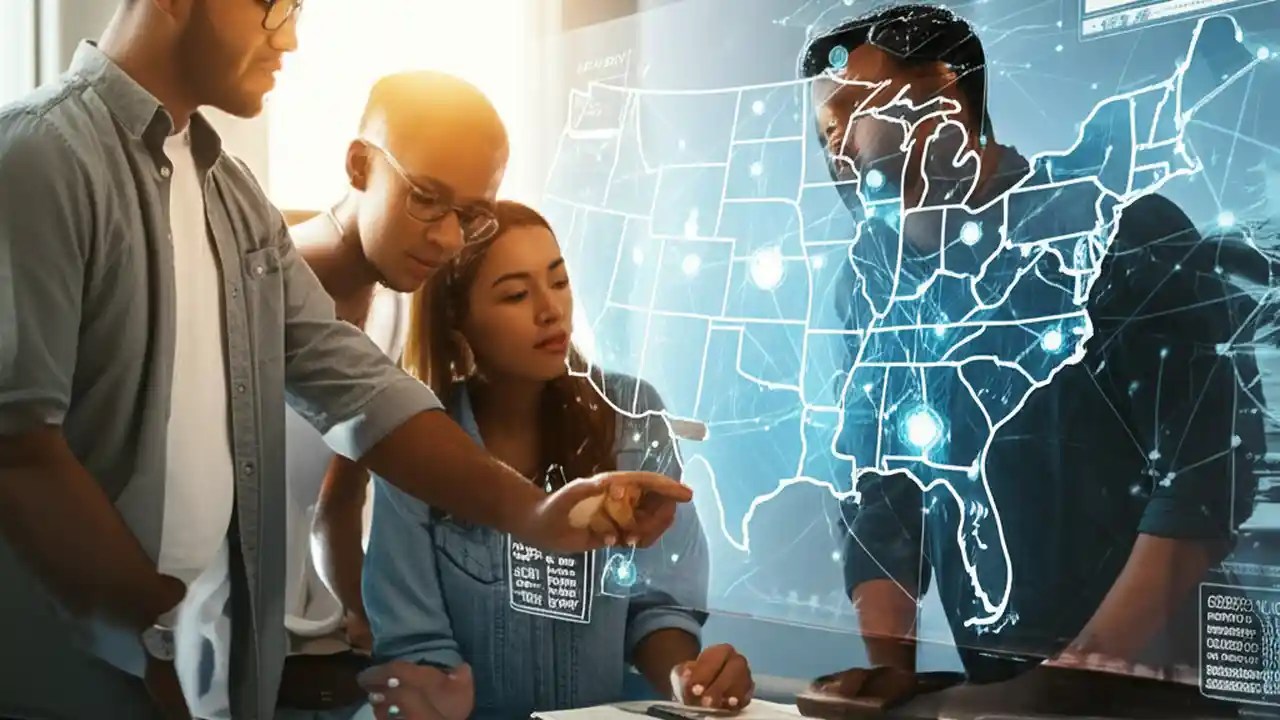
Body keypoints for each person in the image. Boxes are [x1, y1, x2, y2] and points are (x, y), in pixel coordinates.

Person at [0, 2, 691, 718]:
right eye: (273, 7)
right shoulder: (40, 155)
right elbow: (18, 448)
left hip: (207, 671)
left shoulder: (232, 200)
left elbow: (359, 390)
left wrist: (538, 514)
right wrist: (152, 641)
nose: (290, 36)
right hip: (80, 676)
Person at [799, 2, 1263, 693]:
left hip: (1174, 694)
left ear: (942, 99)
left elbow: (1206, 482)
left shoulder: (1119, 226)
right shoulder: (865, 288)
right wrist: (888, 676)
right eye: (824, 132)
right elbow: (884, 496)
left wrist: (1058, 690)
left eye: (853, 117)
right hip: (1006, 697)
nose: (837, 151)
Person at [338, 200, 755, 719]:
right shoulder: (420, 443)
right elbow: (415, 643)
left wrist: (689, 676)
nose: (550, 310)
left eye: (558, 282)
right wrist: (430, 687)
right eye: (516, 294)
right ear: (457, 320)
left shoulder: (633, 414)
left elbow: (658, 607)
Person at [270, 71, 515, 720]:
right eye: (427, 198)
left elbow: (341, 499)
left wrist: (363, 617)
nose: (448, 238)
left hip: (335, 670)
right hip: (208, 664)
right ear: (359, 165)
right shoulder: (257, 286)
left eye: (472, 214)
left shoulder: (405, 312)